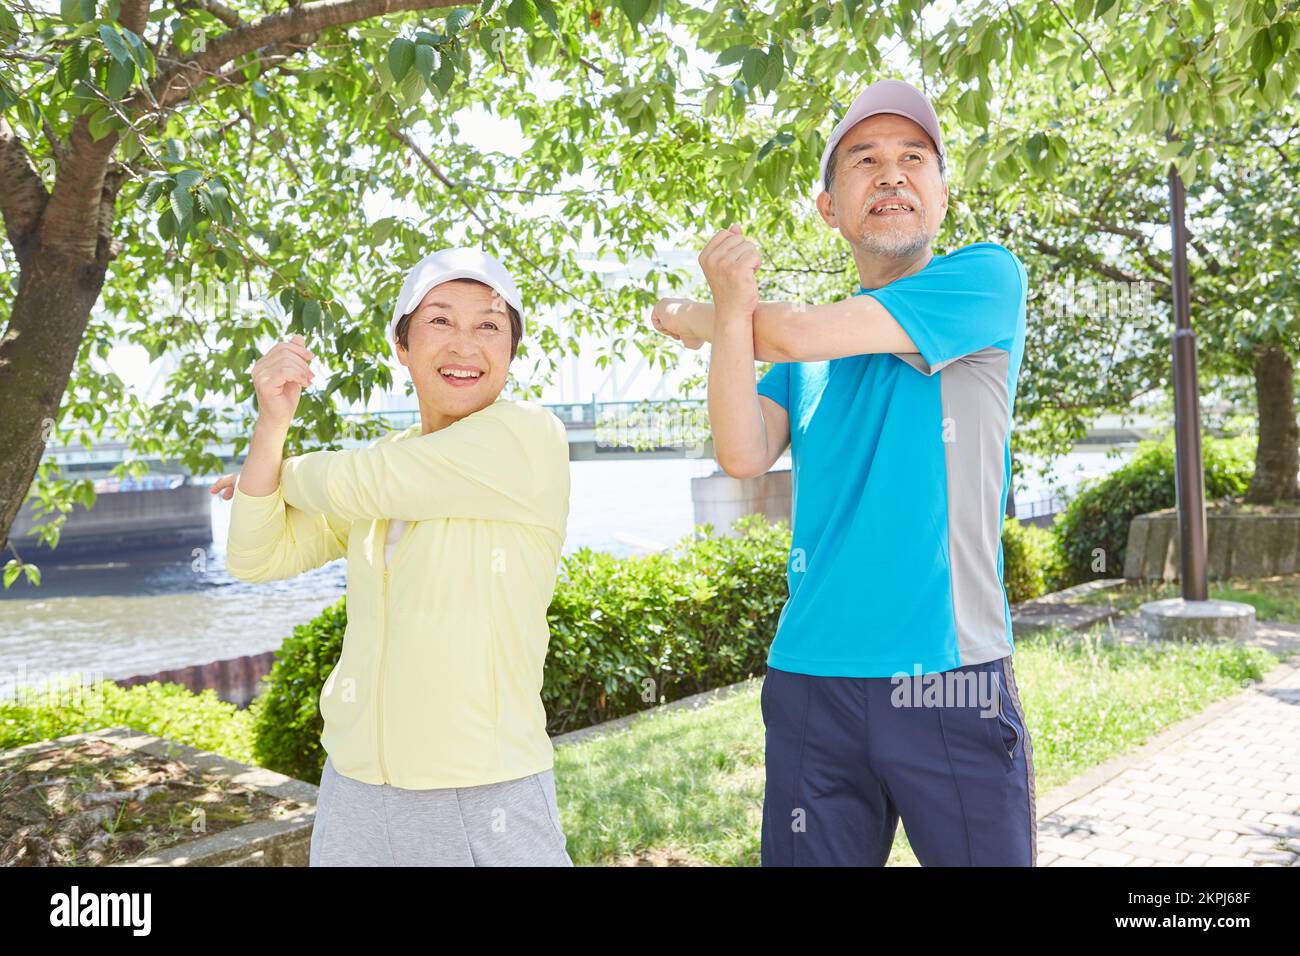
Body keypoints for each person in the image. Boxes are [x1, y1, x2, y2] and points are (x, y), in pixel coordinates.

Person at [650, 79, 1035, 866]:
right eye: (865, 160)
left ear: (940, 194)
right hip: (811, 682)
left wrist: (703, 316)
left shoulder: (985, 280)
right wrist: (729, 319)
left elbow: (786, 332)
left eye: (913, 159)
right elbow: (742, 453)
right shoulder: (805, 359)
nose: (892, 174)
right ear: (829, 206)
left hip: (949, 679)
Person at [211, 247, 573, 866]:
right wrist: (271, 426)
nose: (464, 344)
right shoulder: (391, 463)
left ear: (511, 349)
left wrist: (276, 472)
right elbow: (256, 557)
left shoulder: (527, 436)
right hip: (356, 786)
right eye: (439, 320)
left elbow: (360, 482)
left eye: (489, 325)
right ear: (402, 346)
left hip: (482, 790)